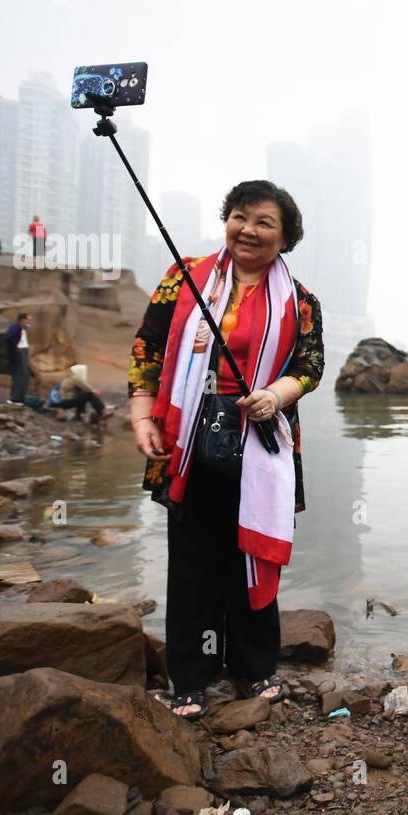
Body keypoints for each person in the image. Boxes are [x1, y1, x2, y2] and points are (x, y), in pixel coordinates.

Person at [128, 179, 325, 721]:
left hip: (261, 441)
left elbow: (310, 368)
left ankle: (254, 666)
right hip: (187, 434)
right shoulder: (185, 277)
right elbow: (147, 344)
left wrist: (275, 395)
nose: (249, 230)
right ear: (227, 220)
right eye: (241, 216)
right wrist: (142, 415)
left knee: (251, 553)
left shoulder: (301, 302)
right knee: (192, 557)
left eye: (266, 223)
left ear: (285, 239)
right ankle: (190, 677)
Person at [5, 312, 32, 404]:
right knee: (20, 374)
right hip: (19, 352)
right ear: (22, 320)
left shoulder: (22, 328)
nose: (29, 321)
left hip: (24, 351)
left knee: (25, 375)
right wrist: (16, 347)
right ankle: (15, 398)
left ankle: (20, 397)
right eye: (28, 319)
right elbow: (9, 337)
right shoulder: (16, 327)